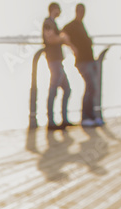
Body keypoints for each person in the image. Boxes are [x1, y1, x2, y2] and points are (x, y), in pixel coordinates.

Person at [61, 3, 104, 126]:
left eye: (83, 11)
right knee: (90, 87)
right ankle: (85, 117)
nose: (82, 13)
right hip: (82, 61)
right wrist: (72, 47)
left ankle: (92, 116)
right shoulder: (72, 25)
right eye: (80, 10)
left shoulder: (81, 24)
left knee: (93, 88)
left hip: (90, 60)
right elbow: (62, 35)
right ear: (76, 11)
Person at [42, 2, 71, 131]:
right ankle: (51, 121)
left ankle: (64, 119)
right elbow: (50, 39)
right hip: (53, 60)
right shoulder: (48, 22)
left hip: (58, 60)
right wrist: (62, 37)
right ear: (54, 9)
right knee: (53, 89)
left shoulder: (53, 23)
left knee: (67, 89)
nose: (60, 12)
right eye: (58, 9)